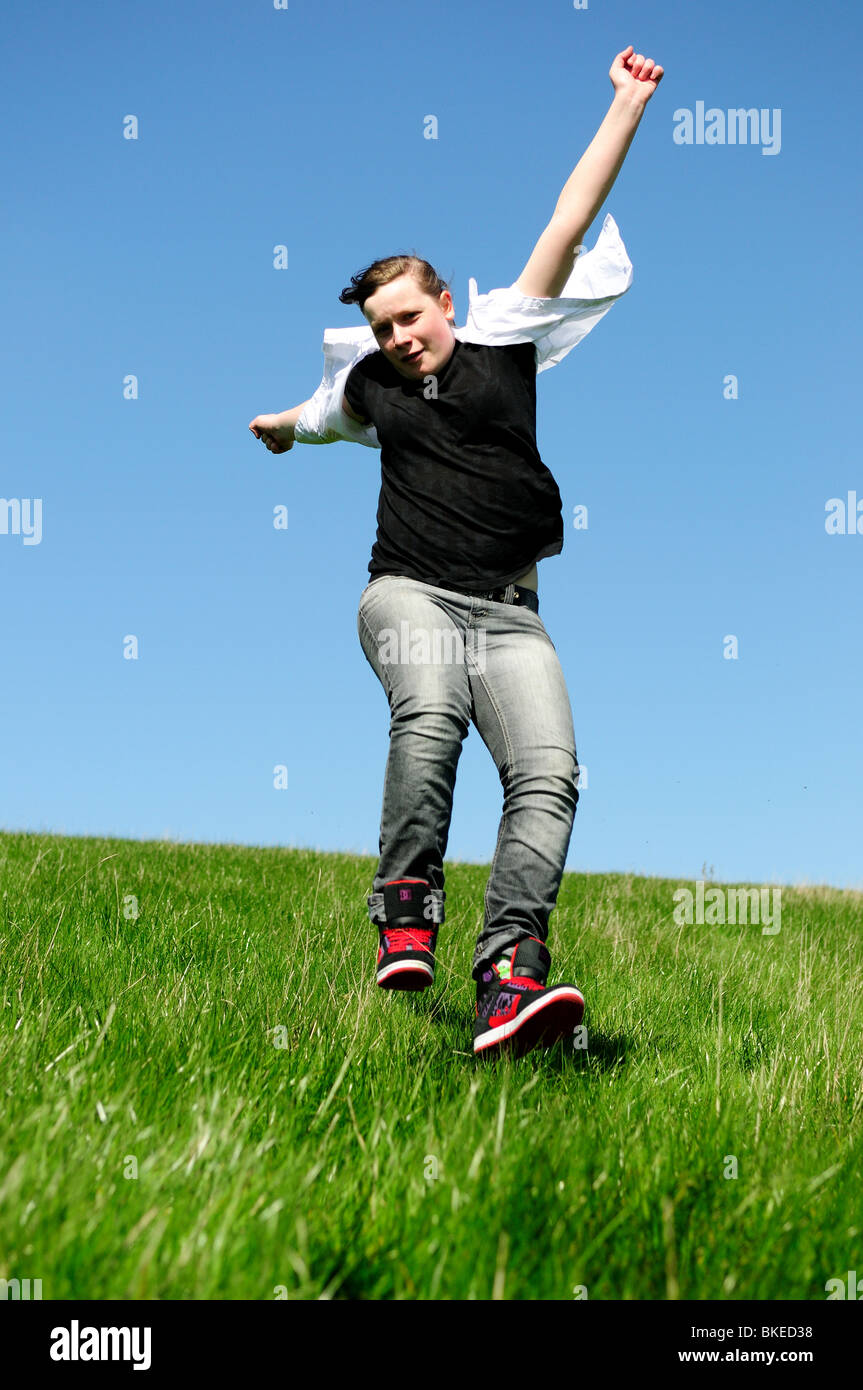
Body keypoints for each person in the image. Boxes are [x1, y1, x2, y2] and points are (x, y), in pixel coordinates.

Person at [250, 45, 664, 1059]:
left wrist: (623, 106)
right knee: (428, 707)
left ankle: (509, 972)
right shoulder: (368, 391)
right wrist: (276, 426)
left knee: (548, 775)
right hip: (408, 596)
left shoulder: (506, 336)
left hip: (512, 610)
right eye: (379, 326)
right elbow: (311, 416)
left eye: (409, 316)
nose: (396, 337)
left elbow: (566, 219)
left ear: (446, 302)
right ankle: (404, 902)